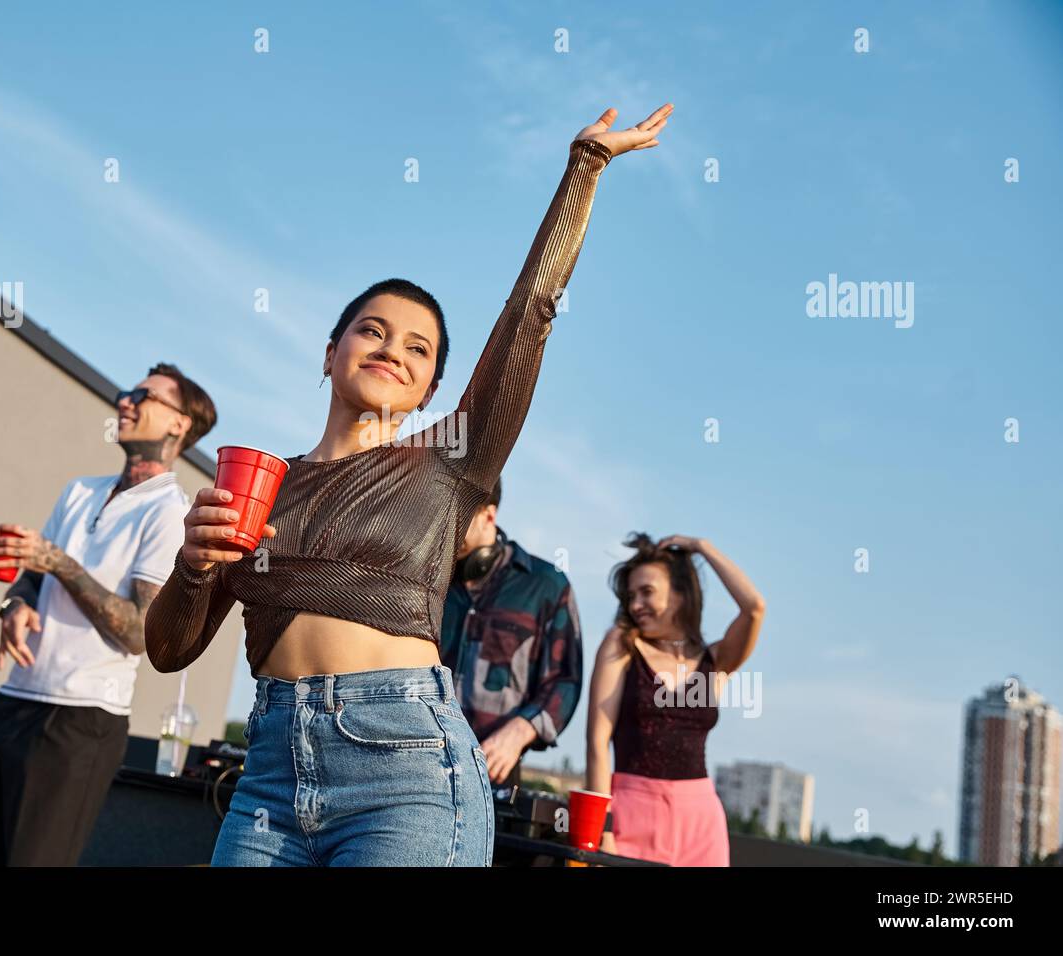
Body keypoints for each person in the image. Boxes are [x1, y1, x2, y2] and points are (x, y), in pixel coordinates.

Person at [146, 103, 673, 867]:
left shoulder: (450, 461)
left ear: (429, 391)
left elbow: (530, 316)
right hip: (268, 775)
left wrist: (583, 167)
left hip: (407, 771)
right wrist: (193, 571)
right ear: (329, 353)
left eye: (419, 348)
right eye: (371, 330)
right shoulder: (264, 487)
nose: (392, 348)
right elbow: (169, 651)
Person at [0, 364, 212, 866]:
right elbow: (31, 577)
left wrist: (59, 562)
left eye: (142, 395)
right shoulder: (80, 490)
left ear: (179, 424)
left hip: (81, 722)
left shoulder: (169, 511)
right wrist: (14, 605)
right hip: (12, 703)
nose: (125, 401)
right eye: (126, 392)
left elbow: (139, 633)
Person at [586, 533, 765, 866]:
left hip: (701, 824)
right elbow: (597, 742)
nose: (636, 604)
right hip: (630, 816)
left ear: (680, 595)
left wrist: (702, 547)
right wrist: (603, 832)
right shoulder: (621, 646)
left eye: (647, 592)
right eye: (631, 596)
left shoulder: (717, 660)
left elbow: (754, 608)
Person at [439, 477, 583, 794]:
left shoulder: (546, 585)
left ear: (489, 516)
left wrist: (520, 731)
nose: (443, 525)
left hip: (494, 783)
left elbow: (564, 681)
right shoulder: (426, 580)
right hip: (417, 770)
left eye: (455, 516)